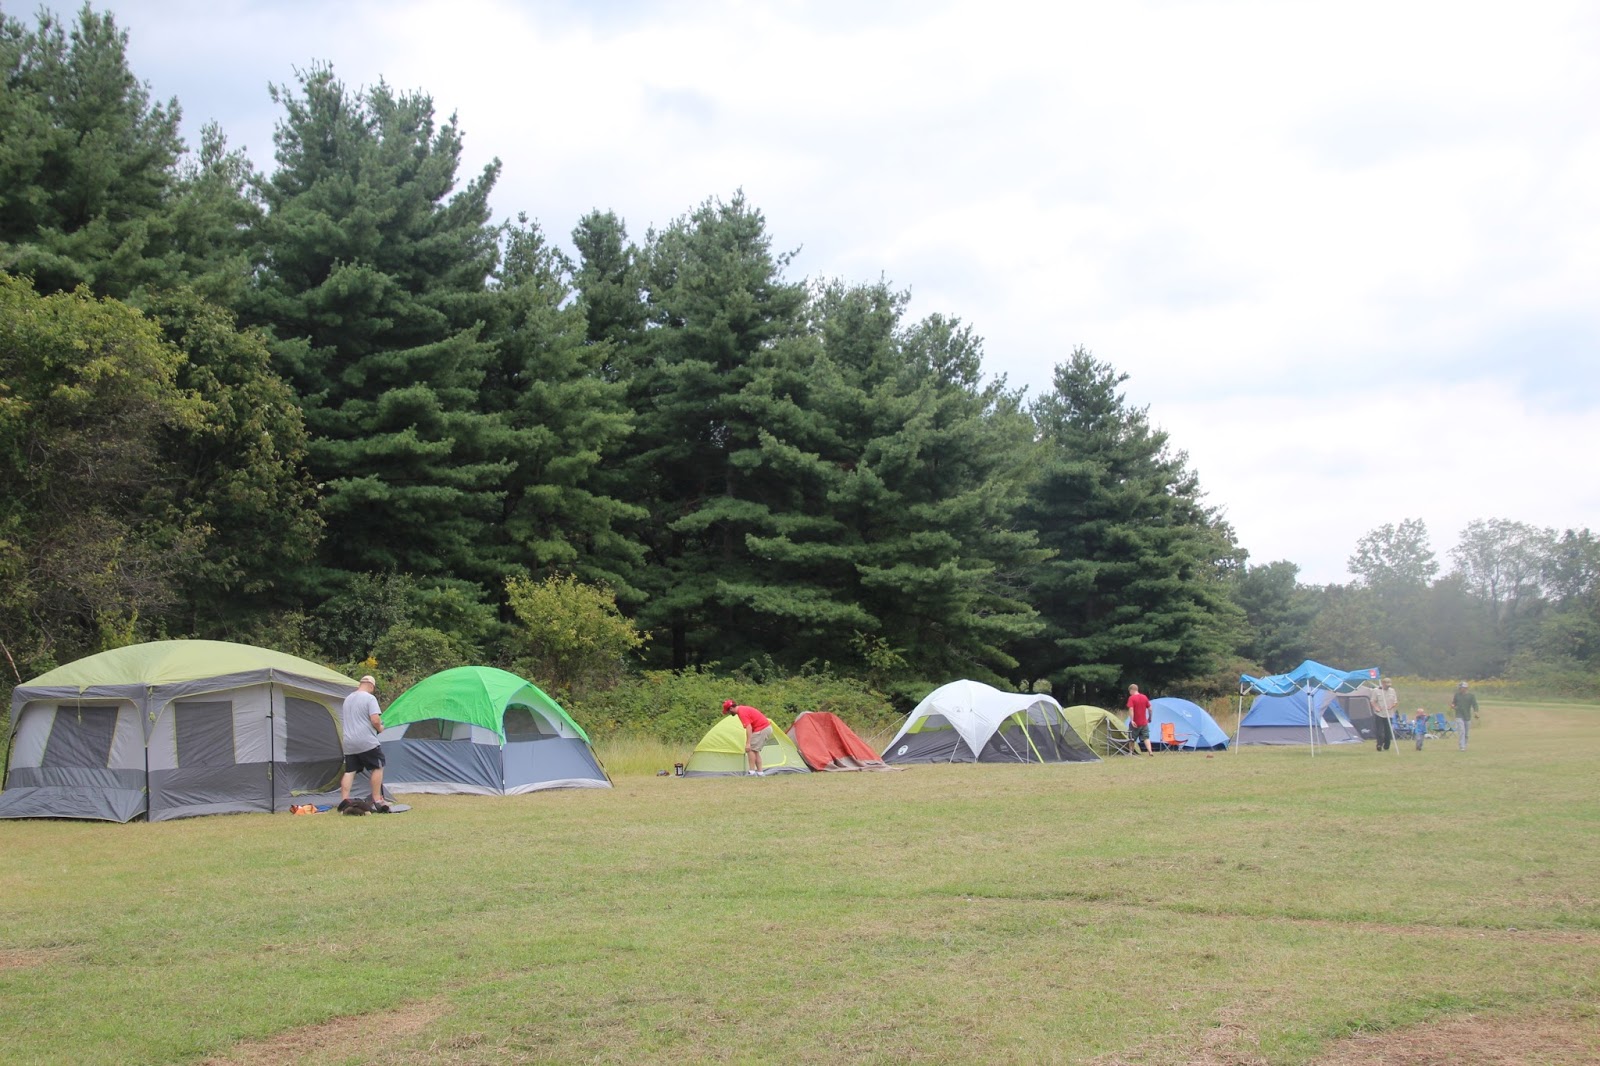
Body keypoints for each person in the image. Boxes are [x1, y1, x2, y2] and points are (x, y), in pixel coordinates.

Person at [340, 674, 389, 812]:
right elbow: (375, 720)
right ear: (371, 686)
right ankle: (377, 799)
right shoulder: (369, 698)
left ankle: (344, 800)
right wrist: (380, 728)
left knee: (350, 771)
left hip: (349, 741)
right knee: (378, 766)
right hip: (366, 740)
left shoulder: (347, 699)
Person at [723, 699, 774, 775]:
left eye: (728, 711)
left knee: (750, 749)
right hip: (765, 728)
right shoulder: (743, 709)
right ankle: (760, 773)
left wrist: (748, 743)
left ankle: (752, 772)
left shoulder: (742, 712)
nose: (729, 713)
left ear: (731, 708)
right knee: (755, 751)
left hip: (762, 728)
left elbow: (748, 727)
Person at [1126, 684, 1155, 757]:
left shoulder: (1131, 698)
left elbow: (1131, 709)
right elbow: (1150, 709)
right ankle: (1150, 751)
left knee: (1132, 738)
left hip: (1135, 723)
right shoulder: (1144, 697)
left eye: (1129, 691)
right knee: (1146, 737)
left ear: (1132, 690)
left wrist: (1132, 720)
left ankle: (1131, 752)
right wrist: (1150, 718)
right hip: (1144, 722)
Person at [1373, 677, 1399, 752]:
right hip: (1379, 714)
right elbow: (1373, 701)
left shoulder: (1392, 691)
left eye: (1389, 685)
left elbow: (1395, 702)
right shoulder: (1376, 691)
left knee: (1388, 731)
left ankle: (1386, 745)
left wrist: (1391, 706)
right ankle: (1379, 744)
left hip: (1389, 714)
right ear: (1383, 684)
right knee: (1380, 731)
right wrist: (1376, 707)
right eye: (1386, 685)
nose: (1388, 686)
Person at [1452, 681, 1479, 750]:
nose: (1460, 689)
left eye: (1462, 687)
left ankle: (1464, 744)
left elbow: (1475, 704)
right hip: (1459, 715)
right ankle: (1462, 746)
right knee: (1462, 731)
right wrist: (1453, 706)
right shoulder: (1457, 695)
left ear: (1466, 688)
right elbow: (1453, 703)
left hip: (1467, 716)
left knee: (1466, 733)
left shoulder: (1471, 696)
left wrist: (1476, 712)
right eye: (1460, 688)